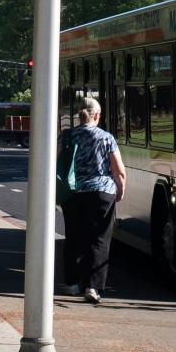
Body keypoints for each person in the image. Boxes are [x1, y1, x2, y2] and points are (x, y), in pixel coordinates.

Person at [59, 97, 126, 304]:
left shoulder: (68, 136)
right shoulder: (106, 138)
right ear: (96, 115)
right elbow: (118, 170)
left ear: (79, 115)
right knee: (99, 239)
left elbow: (57, 161)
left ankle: (72, 283)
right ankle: (93, 287)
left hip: (73, 193)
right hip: (102, 194)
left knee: (73, 237)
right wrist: (120, 191)